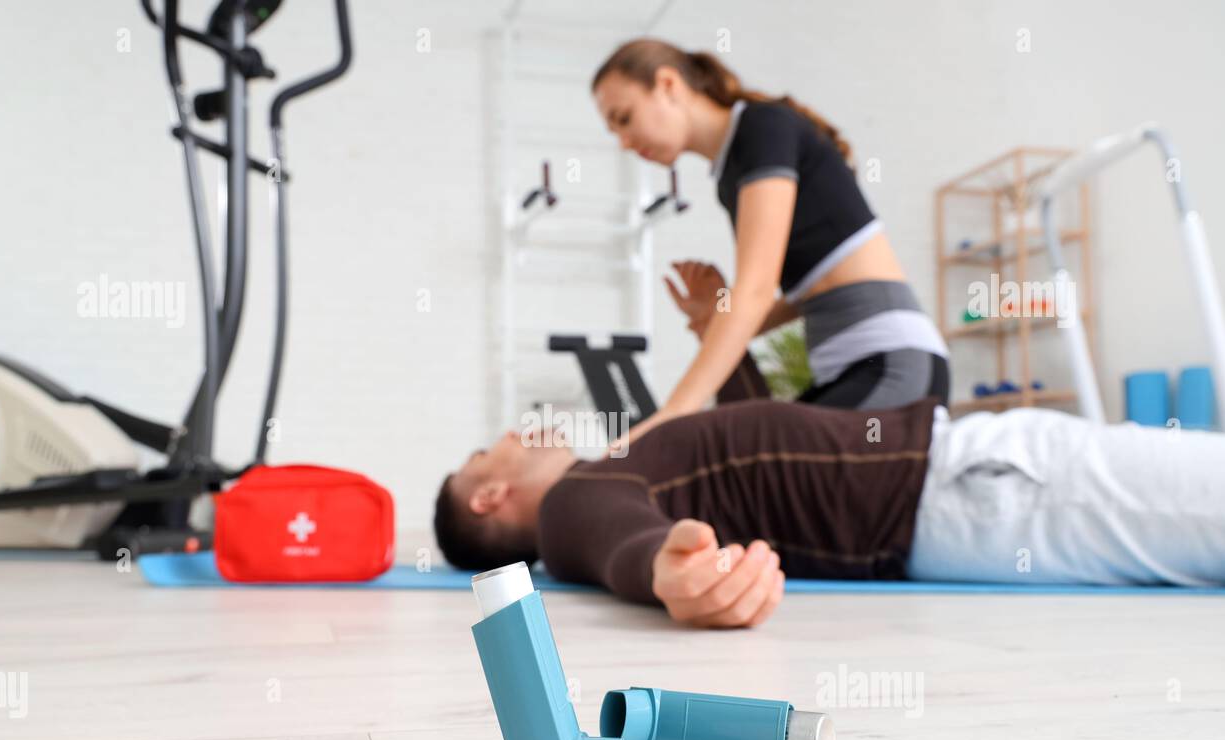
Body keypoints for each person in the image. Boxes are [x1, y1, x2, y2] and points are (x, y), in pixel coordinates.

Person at [434, 397, 1225, 628]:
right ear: (490, 497)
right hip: (972, 486)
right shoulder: (576, 500)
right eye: (486, 451)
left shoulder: (609, 473)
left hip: (964, 479)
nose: (507, 435)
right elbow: (613, 543)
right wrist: (667, 572)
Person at [590, 39, 950, 439]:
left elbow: (755, 289)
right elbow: (805, 292)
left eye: (624, 118)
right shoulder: (731, 171)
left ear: (668, 84)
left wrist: (672, 414)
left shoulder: (762, 129)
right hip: (854, 367)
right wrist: (712, 317)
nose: (623, 142)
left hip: (890, 364)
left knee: (765, 476)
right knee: (754, 472)